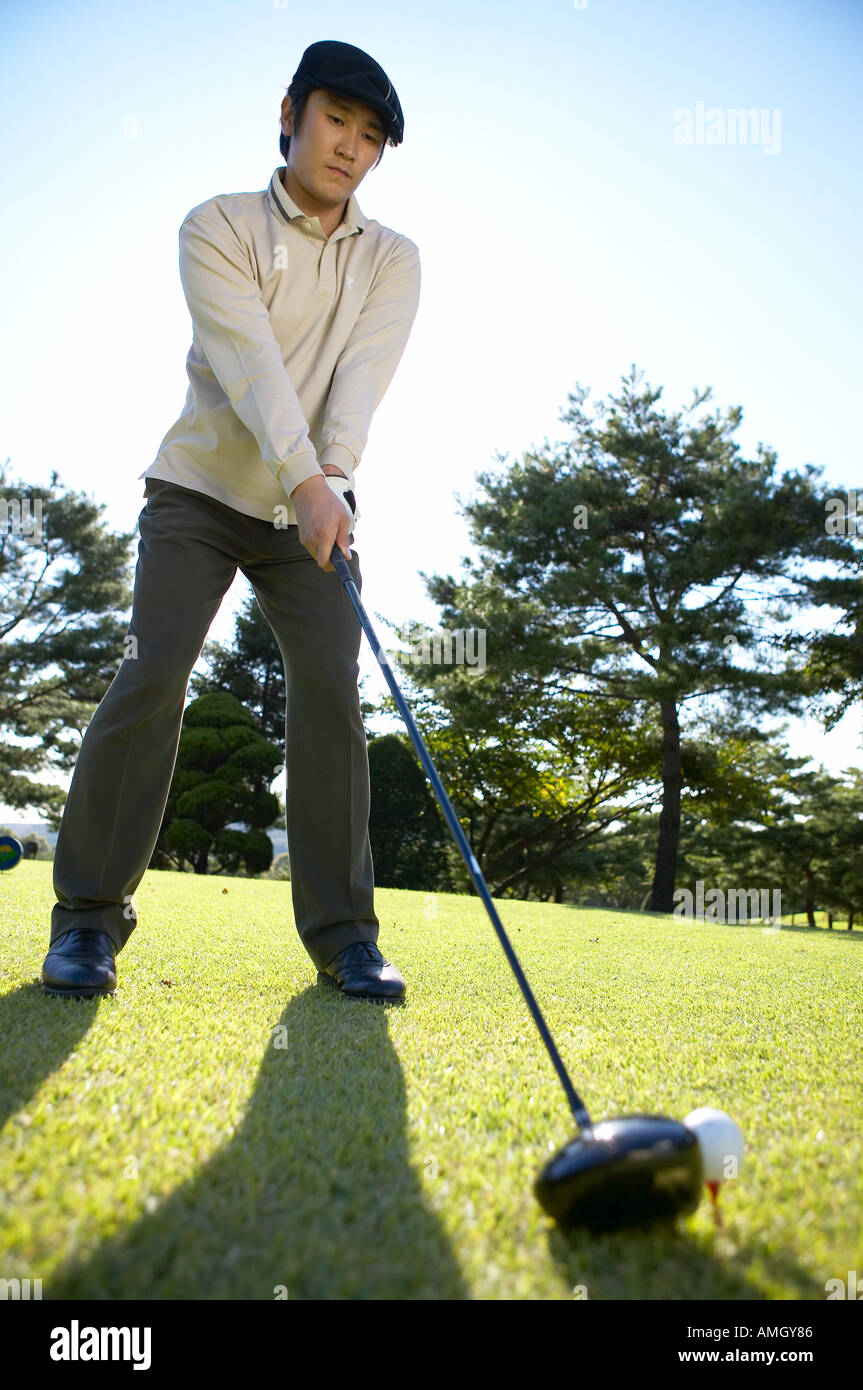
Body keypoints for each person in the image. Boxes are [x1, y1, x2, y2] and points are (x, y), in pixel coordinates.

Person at [41, 40, 420, 1004]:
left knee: (334, 688)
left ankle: (344, 935)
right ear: (289, 113)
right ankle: (88, 921)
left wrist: (328, 477)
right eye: (336, 120)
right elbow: (248, 362)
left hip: (314, 505)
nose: (348, 147)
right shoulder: (218, 225)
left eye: (370, 136)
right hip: (199, 495)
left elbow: (358, 388)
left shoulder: (392, 260)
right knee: (153, 670)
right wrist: (303, 475)